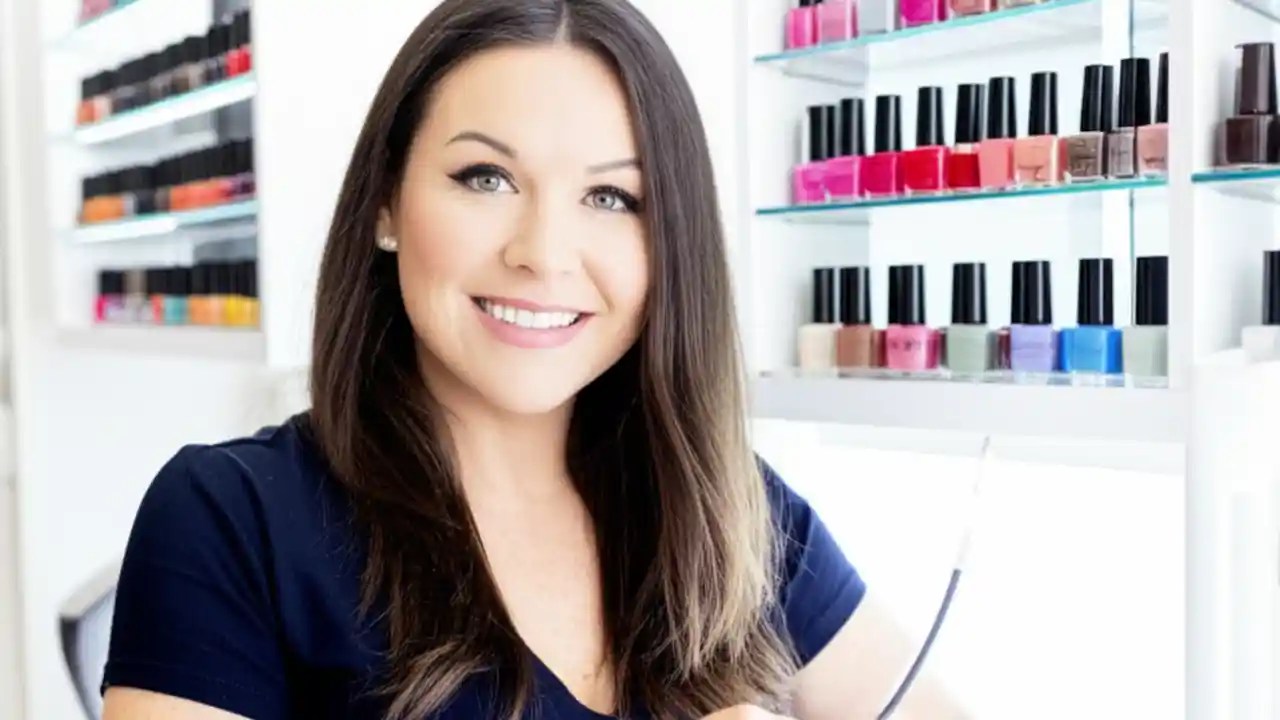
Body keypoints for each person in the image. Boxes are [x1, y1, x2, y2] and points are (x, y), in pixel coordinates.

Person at [102, 1, 967, 718]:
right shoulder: (229, 519)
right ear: (385, 205)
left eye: (611, 196)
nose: (545, 252)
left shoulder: (735, 516)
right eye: (486, 178)